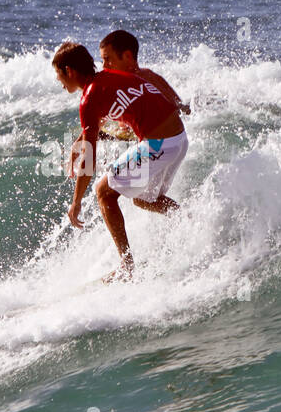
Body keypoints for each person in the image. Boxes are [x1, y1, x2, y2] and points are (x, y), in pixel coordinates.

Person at [52, 40, 188, 282]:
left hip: (158, 144)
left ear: (69, 71)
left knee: (103, 192)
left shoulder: (88, 99)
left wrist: (76, 202)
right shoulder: (110, 77)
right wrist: (79, 143)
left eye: (59, 76)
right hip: (179, 139)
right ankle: (191, 221)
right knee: (144, 198)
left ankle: (127, 267)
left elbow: (90, 158)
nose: (59, 83)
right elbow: (98, 126)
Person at [97, 29, 191, 115]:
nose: (104, 66)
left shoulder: (130, 84)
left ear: (127, 56)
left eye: (107, 59)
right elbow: (180, 108)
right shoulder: (148, 74)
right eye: (103, 60)